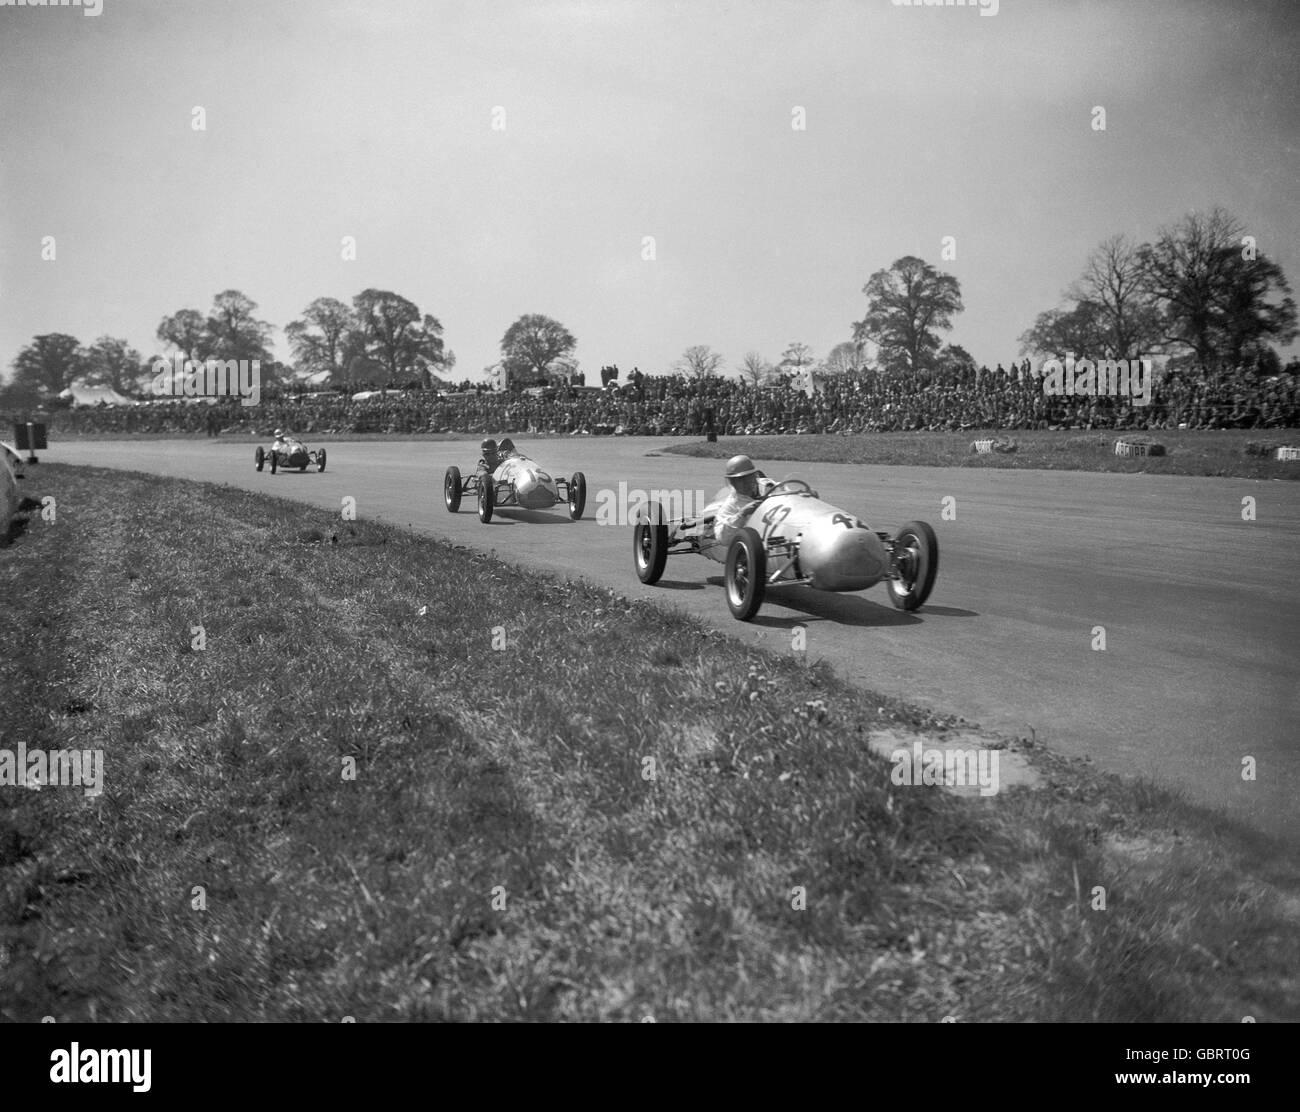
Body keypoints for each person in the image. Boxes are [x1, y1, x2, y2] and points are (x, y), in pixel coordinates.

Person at [710, 455, 775, 547]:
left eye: (747, 477)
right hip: (760, 546)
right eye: (738, 480)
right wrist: (742, 514)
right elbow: (723, 538)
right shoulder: (731, 504)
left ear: (754, 476)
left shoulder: (771, 486)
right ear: (731, 482)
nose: (745, 483)